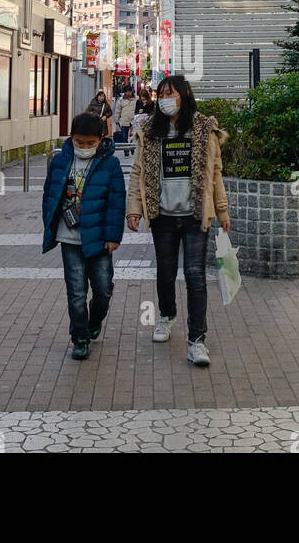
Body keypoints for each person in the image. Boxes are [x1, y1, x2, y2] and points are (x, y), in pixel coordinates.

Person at [125, 75, 229, 367]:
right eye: (161, 94)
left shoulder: (204, 129)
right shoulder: (150, 131)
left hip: (195, 215)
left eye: (170, 93)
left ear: (185, 95)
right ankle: (167, 315)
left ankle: (197, 340)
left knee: (195, 276)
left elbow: (215, 172)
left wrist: (222, 210)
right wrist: (134, 209)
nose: (165, 99)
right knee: (166, 272)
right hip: (163, 216)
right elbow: (137, 173)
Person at [42, 112, 125, 360]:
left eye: (91, 143)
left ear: (100, 139)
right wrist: (49, 223)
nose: (85, 147)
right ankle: (79, 337)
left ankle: (94, 321)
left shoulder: (110, 164)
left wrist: (113, 237)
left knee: (103, 289)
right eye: (80, 142)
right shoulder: (60, 162)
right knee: (76, 292)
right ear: (71, 137)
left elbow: (116, 202)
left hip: (99, 239)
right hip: (69, 238)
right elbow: (49, 194)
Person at [112, 87, 137, 156]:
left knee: (134, 136)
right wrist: (116, 120)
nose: (128, 93)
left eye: (129, 91)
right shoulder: (121, 100)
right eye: (126, 92)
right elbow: (118, 110)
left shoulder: (136, 98)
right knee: (124, 137)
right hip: (124, 120)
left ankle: (132, 147)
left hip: (134, 121)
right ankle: (126, 151)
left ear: (132, 91)